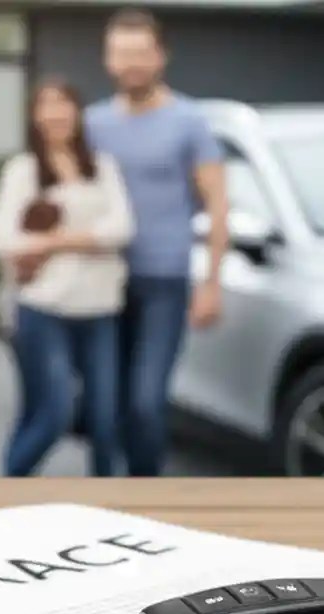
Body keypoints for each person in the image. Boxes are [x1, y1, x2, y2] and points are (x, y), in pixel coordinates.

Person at [84, 7, 230, 477]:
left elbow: (218, 204)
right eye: (121, 54)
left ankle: (148, 492)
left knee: (146, 401)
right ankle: (109, 501)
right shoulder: (92, 123)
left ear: (160, 56)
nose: (131, 64)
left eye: (140, 54)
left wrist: (211, 284)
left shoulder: (189, 121)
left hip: (164, 281)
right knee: (106, 406)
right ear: (107, 60)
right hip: (101, 282)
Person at [0, 78, 135, 477]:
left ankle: (109, 514)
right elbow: (3, 240)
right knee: (53, 412)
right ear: (34, 117)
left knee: (105, 422)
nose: (56, 113)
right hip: (43, 310)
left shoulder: (103, 168)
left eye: (63, 103)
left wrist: (53, 240)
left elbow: (122, 229)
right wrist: (87, 240)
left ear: (77, 112)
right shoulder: (22, 171)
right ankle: (5, 492)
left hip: (100, 310)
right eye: (46, 105)